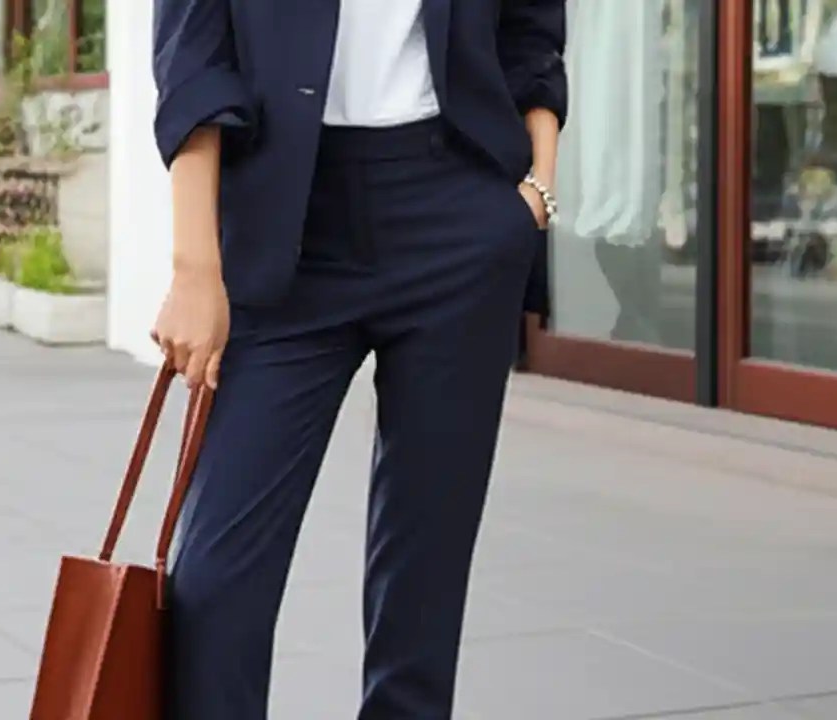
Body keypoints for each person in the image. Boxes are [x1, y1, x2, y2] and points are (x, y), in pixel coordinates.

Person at [150, 1, 566, 717]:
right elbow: (194, 59)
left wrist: (532, 198)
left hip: (455, 214)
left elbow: (531, 35)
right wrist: (195, 266)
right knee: (215, 582)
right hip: (285, 224)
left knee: (423, 581)